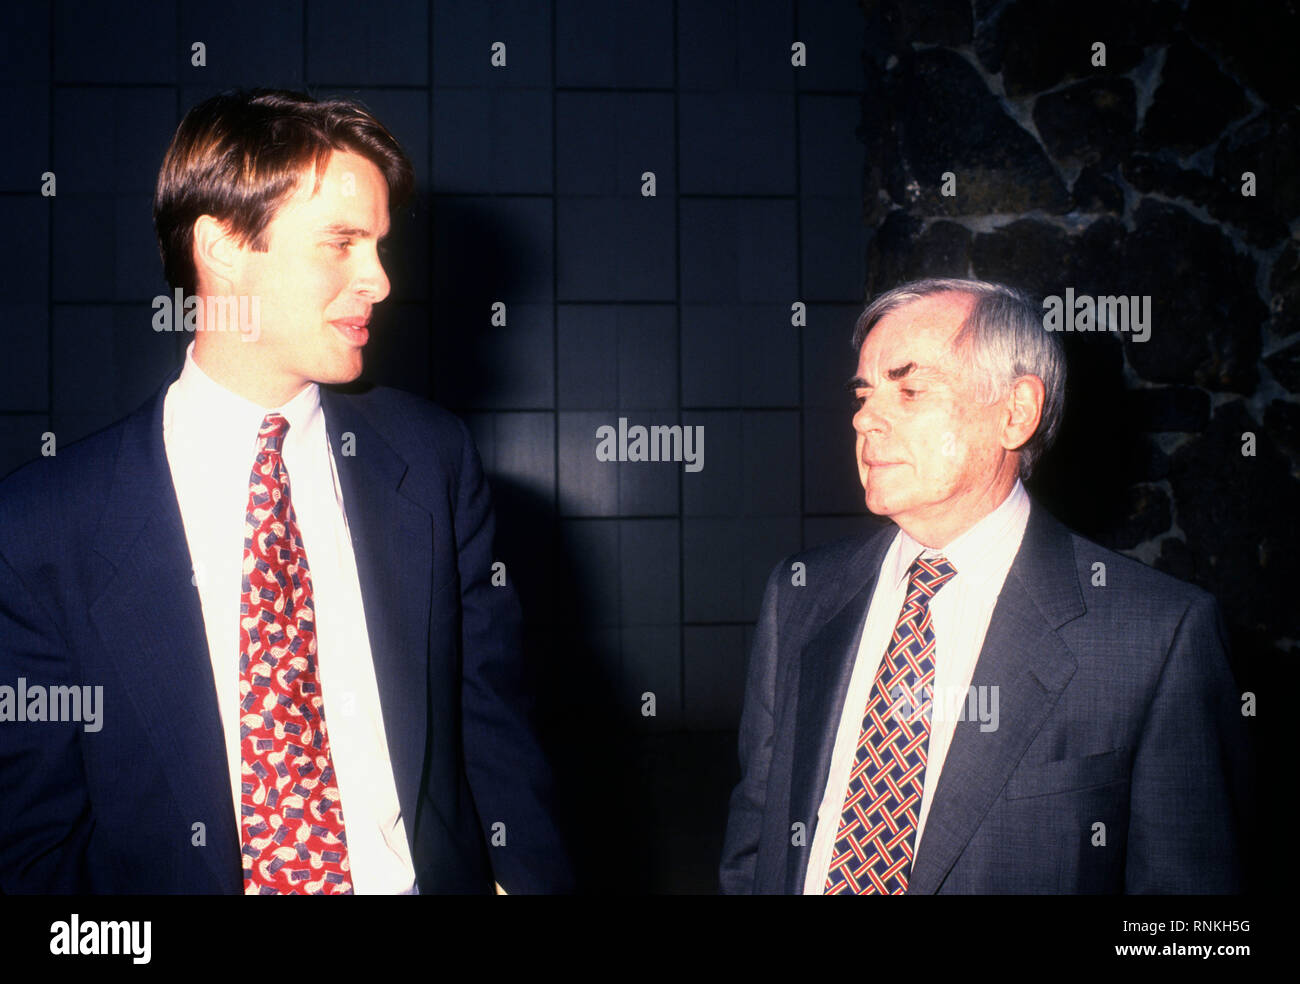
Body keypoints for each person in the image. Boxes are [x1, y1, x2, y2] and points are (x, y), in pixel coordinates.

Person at [0, 89, 572, 894]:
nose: (379, 280)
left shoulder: (432, 460)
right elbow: (32, 855)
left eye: (378, 245)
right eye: (341, 242)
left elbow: (494, 739)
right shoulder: (41, 529)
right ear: (224, 244)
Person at [719, 278, 1252, 894]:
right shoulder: (802, 593)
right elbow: (757, 836)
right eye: (863, 394)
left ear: (1015, 412)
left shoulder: (1155, 638)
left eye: (910, 388)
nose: (864, 417)